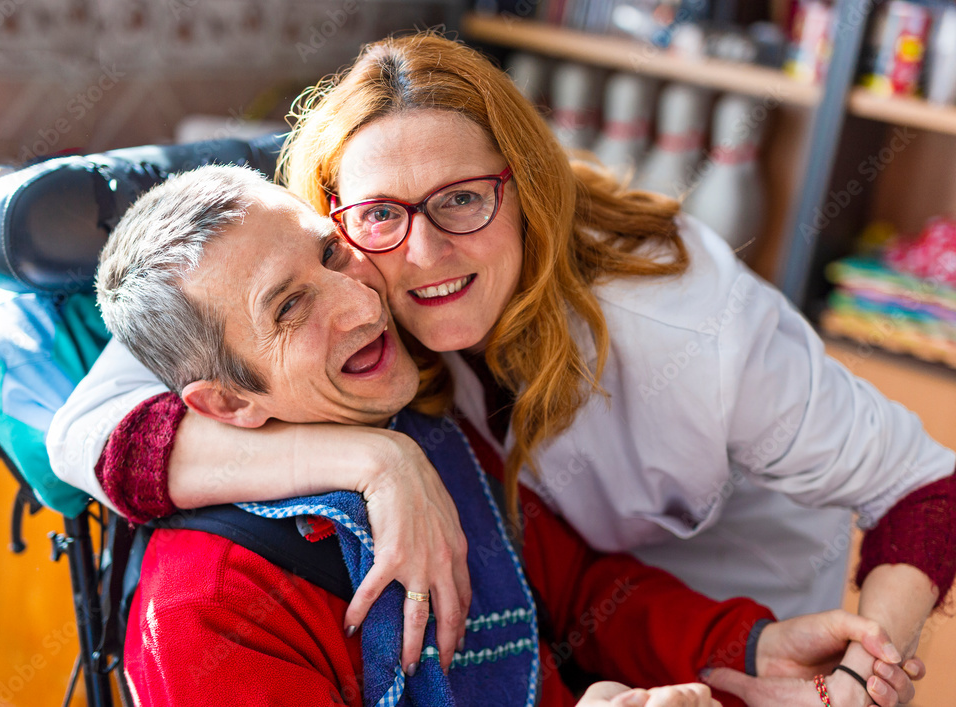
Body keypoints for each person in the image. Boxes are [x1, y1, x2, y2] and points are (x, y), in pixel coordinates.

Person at [47, 31, 955, 702]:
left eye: (465, 200)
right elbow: (82, 433)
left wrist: (769, 649)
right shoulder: (212, 601)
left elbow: (580, 588)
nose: (368, 296)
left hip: (721, 609)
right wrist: (373, 460)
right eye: (375, 222)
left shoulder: (675, 340)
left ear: (523, 183)